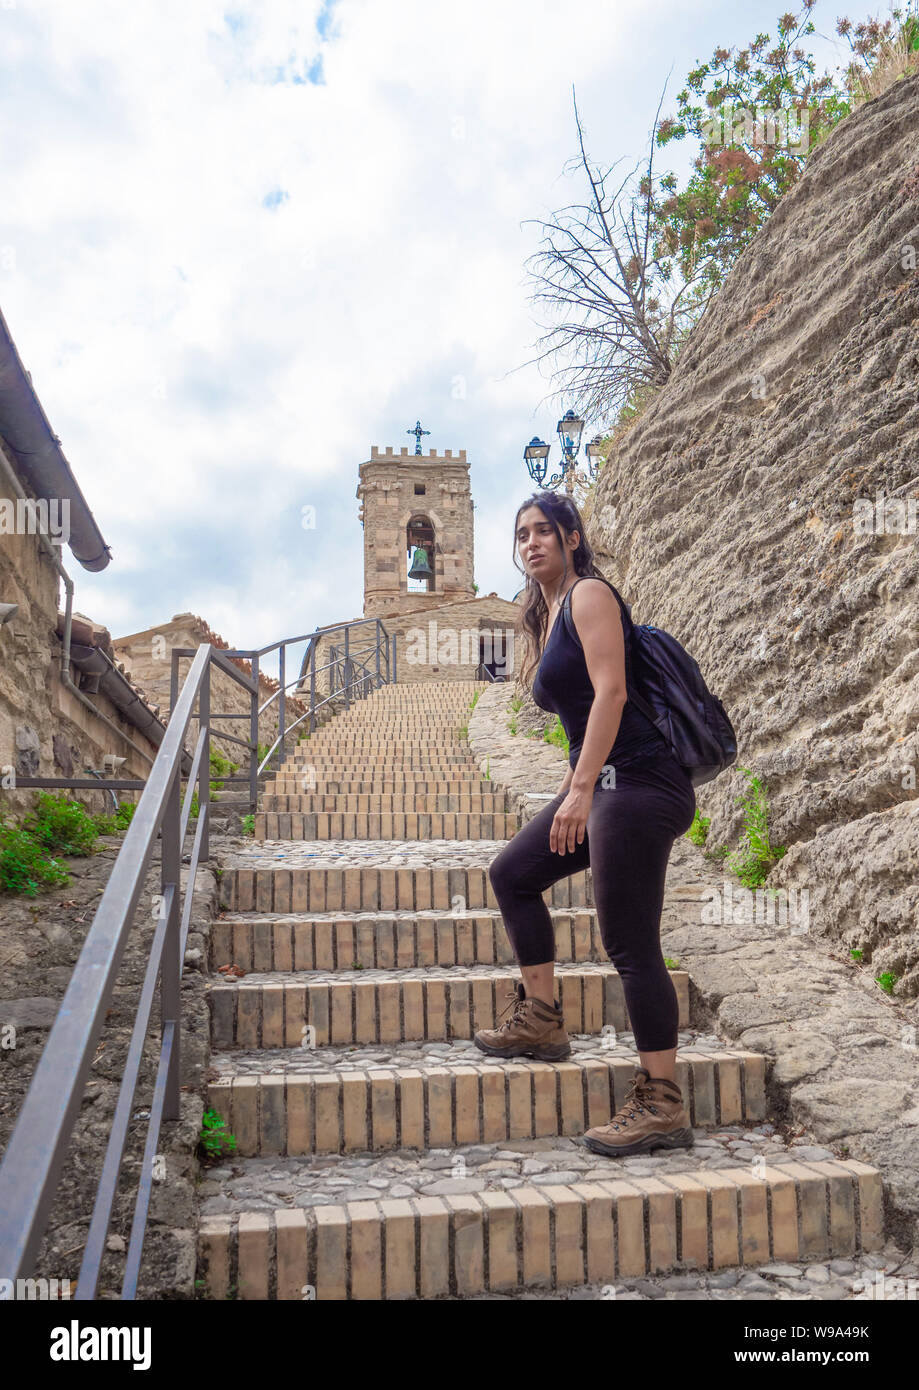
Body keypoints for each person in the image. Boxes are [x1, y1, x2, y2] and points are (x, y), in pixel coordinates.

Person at [473, 490, 697, 1157]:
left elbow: (612, 692)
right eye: (522, 535)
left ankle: (660, 1101)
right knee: (512, 873)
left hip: (638, 782)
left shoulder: (589, 596)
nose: (531, 542)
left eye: (545, 530)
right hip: (603, 785)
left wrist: (577, 790)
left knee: (628, 943)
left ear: (572, 538)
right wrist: (581, 788)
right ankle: (541, 1019)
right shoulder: (542, 616)